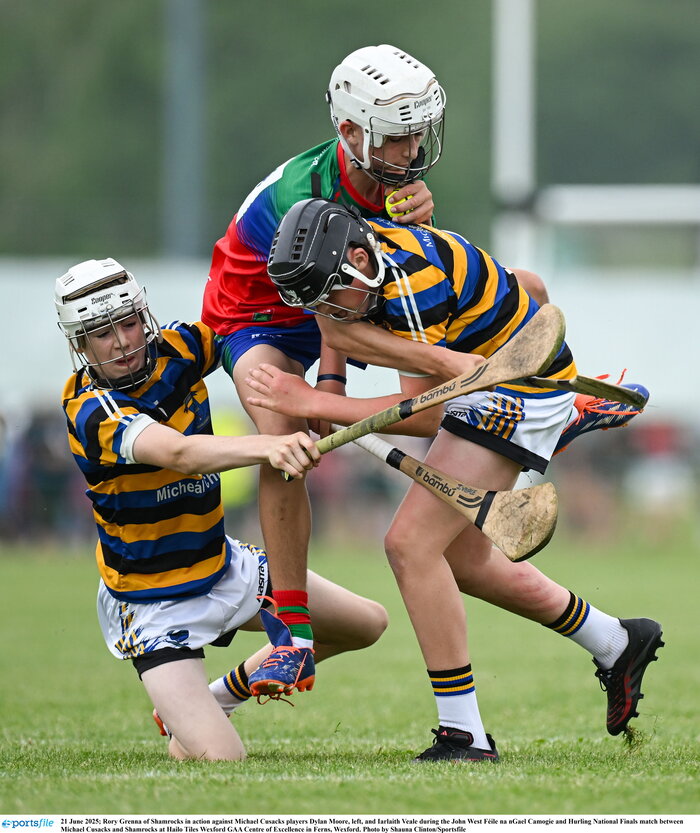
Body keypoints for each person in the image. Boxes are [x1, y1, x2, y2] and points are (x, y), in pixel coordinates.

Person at [245, 198, 661, 762]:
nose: (325, 310)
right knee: (462, 560)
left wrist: (313, 401)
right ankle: (616, 640)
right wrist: (333, 378)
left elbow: (427, 415)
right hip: (487, 383)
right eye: (312, 299)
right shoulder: (361, 262)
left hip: (515, 395)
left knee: (410, 546)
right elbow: (338, 328)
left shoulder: (413, 292)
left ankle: (464, 735)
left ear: (360, 259)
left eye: (329, 294)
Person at [55, 257, 388, 761]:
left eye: (128, 323)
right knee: (222, 760)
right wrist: (271, 444)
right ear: (80, 345)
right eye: (103, 333)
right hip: (153, 603)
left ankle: (221, 696)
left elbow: (247, 330)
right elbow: (179, 454)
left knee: (365, 623)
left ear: (143, 316)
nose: (122, 342)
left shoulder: (179, 348)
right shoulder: (89, 407)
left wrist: (320, 382)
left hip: (222, 565)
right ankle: (189, 718)